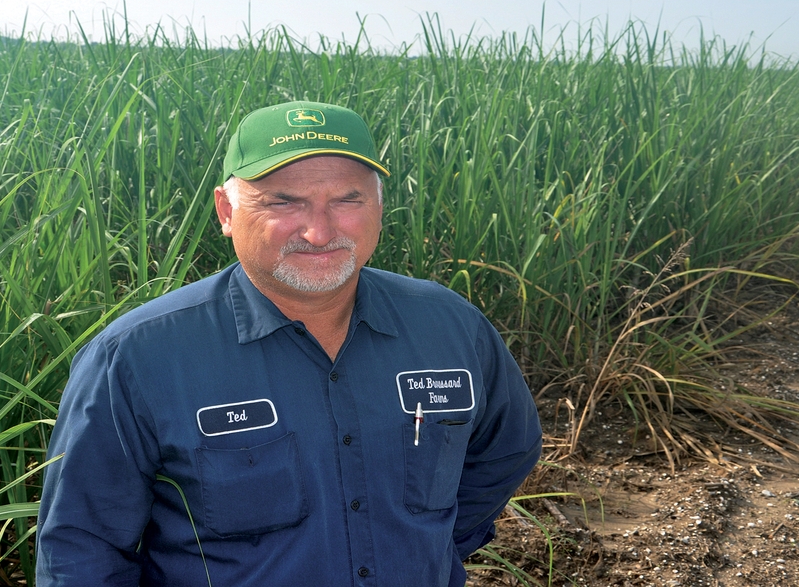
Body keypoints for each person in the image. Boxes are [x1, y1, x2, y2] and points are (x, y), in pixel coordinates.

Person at [36, 100, 542, 586]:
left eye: (347, 199)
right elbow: (81, 549)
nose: (319, 232)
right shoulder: (135, 358)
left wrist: (427, 548)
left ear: (379, 207)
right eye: (283, 201)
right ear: (226, 211)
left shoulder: (450, 326)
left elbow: (507, 450)